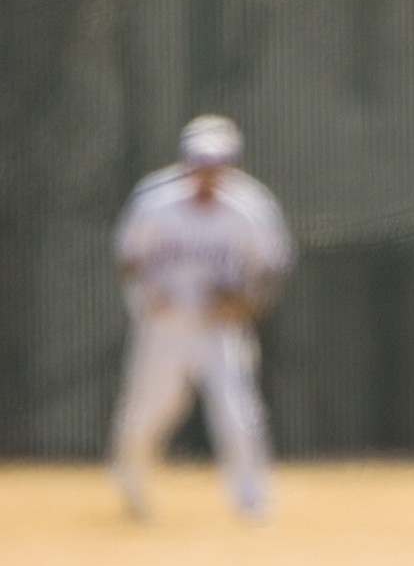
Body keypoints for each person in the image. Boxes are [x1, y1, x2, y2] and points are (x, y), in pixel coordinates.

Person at [109, 114, 295, 522]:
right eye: (199, 163)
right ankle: (132, 491)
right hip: (165, 328)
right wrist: (144, 296)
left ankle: (252, 502)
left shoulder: (251, 208)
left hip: (220, 330)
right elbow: (128, 257)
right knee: (147, 414)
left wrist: (244, 304)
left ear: (232, 165)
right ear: (184, 162)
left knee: (239, 413)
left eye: (216, 164)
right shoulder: (155, 202)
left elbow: (273, 269)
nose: (207, 173)